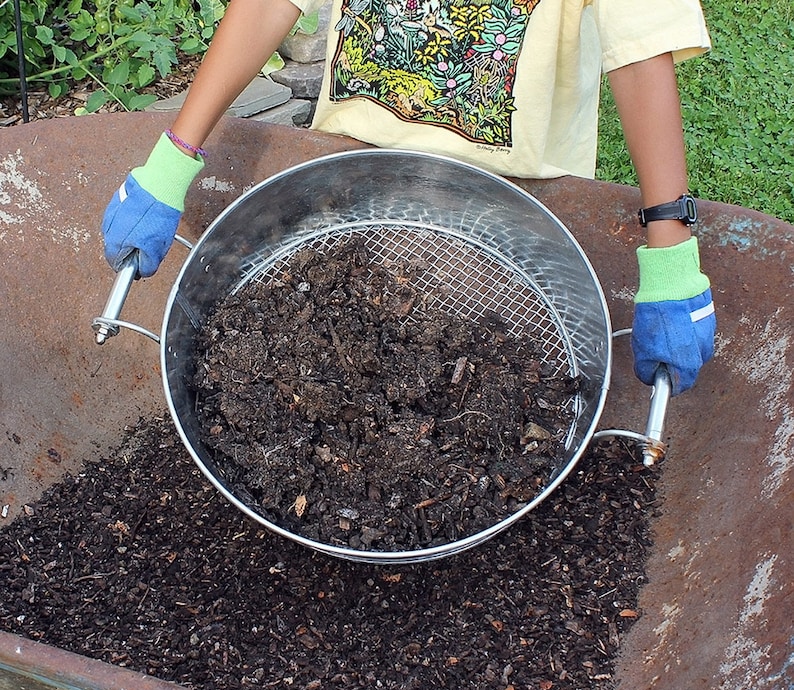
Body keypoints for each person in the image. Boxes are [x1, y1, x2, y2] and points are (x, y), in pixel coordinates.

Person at [102, 0, 716, 395]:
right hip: (343, 196)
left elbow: (639, 53)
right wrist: (172, 158)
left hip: (506, 221)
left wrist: (670, 245)